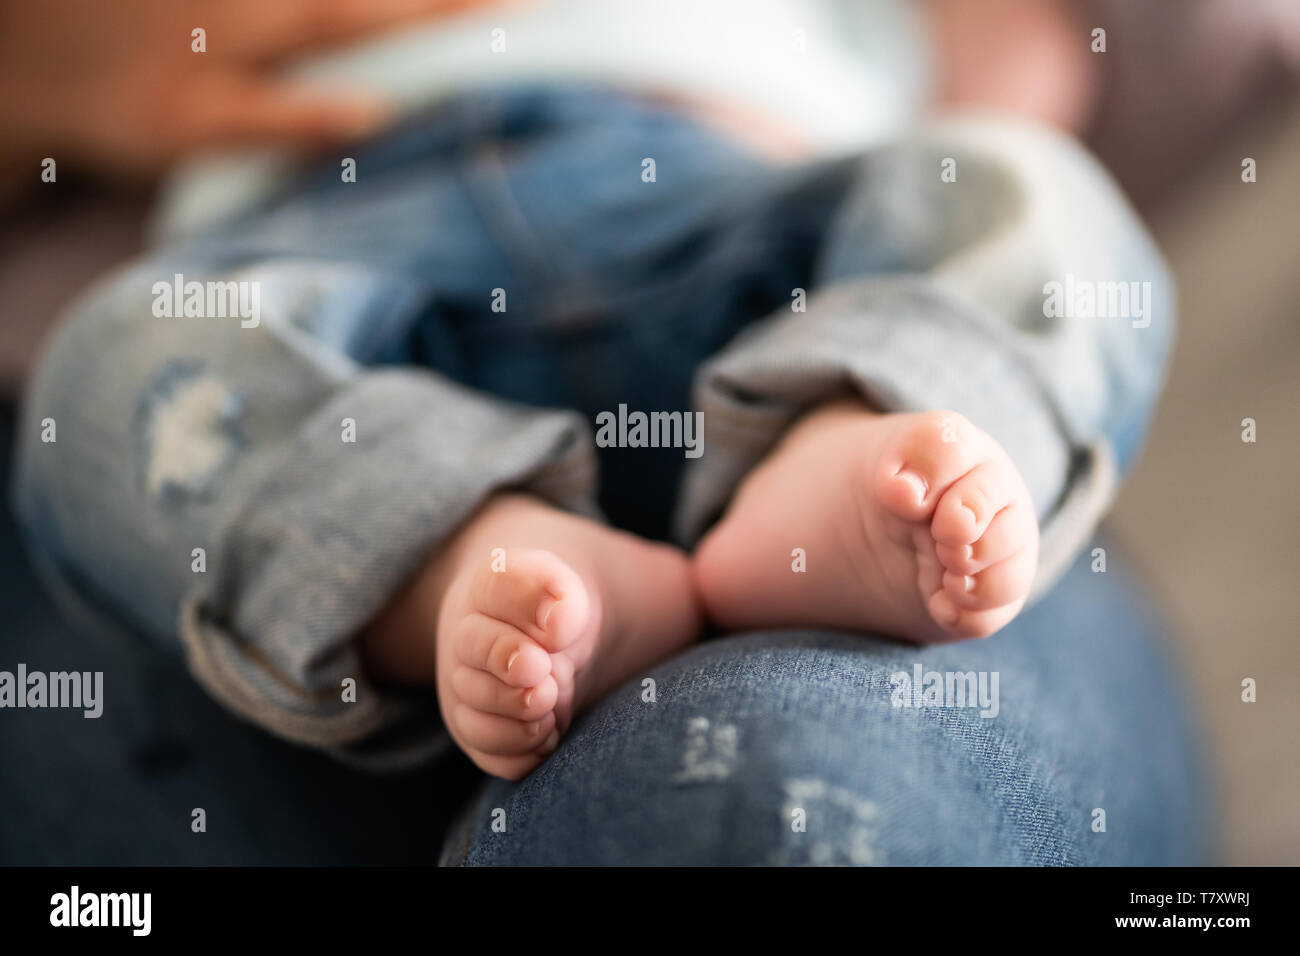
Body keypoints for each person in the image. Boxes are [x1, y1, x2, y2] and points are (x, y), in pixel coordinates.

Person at [10, 0, 1207, 862]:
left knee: (1022, 187)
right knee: (106, 366)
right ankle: (456, 561)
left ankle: (849, 431)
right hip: (339, 259)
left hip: (736, 213)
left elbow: (1028, 64)